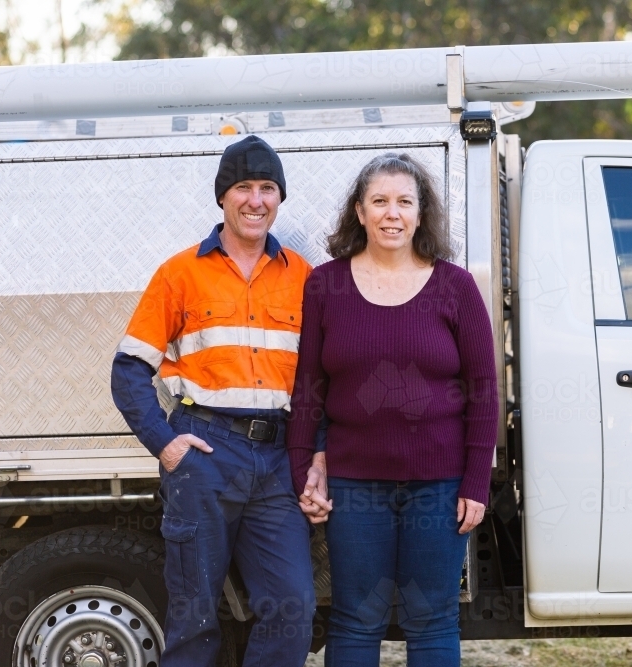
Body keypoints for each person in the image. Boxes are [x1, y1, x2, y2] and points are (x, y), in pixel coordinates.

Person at [111, 135, 316, 666]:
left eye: (267, 188)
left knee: (292, 608)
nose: (256, 200)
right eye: (243, 188)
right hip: (204, 454)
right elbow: (129, 369)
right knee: (194, 616)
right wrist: (165, 443)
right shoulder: (180, 273)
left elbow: (321, 380)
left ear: (279, 197)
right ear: (223, 197)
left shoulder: (303, 277)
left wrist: (316, 451)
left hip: (277, 462)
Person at [287, 153, 499, 667]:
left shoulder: (455, 286)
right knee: (356, 619)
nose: (392, 213)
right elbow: (309, 388)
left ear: (421, 214)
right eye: (379, 201)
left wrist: (475, 482)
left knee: (432, 621)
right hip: (355, 487)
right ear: (359, 212)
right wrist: (302, 471)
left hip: (440, 485)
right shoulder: (326, 285)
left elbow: (483, 390)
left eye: (404, 201)